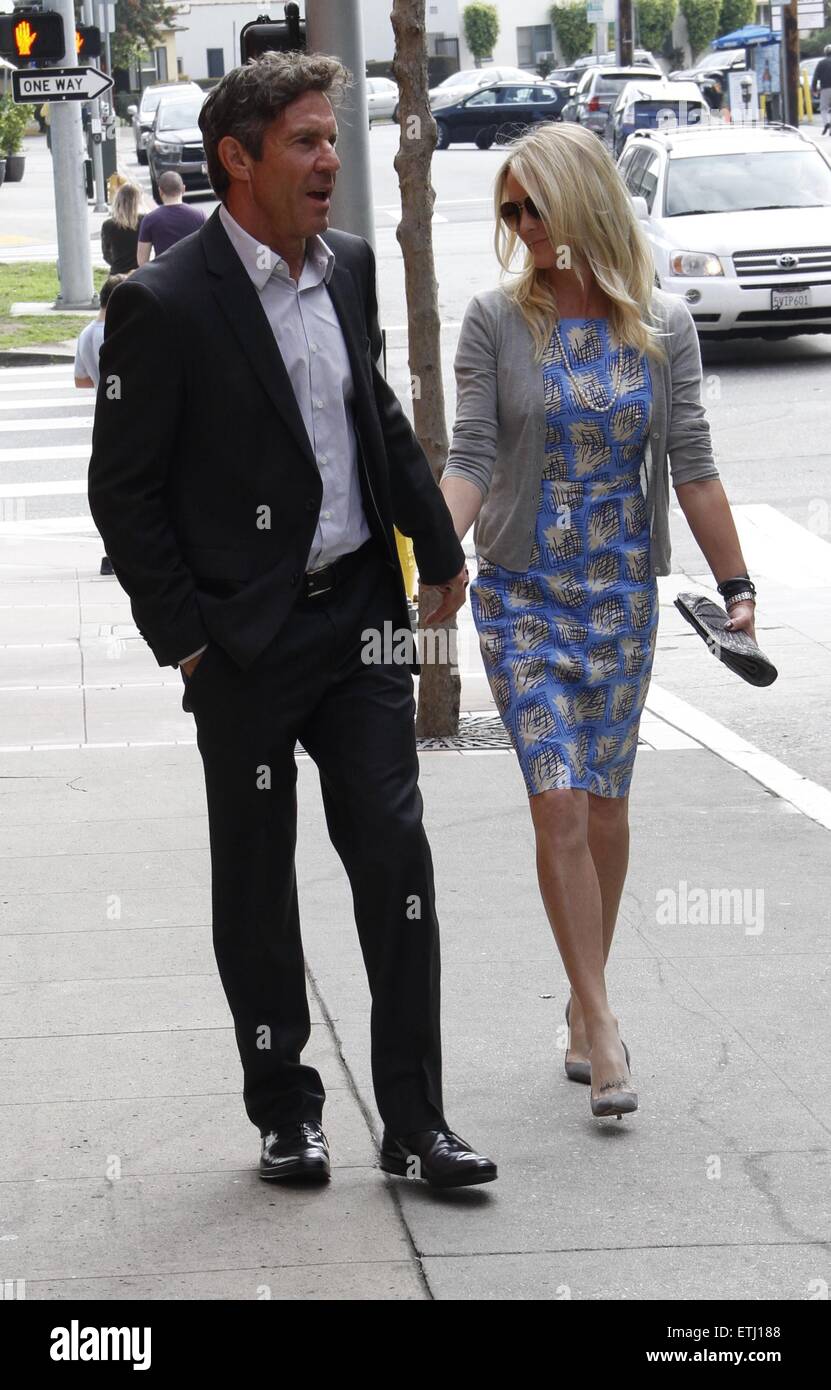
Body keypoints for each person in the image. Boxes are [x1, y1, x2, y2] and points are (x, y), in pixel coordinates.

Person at [88, 52, 496, 1190]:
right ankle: (285, 1108)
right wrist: (190, 640)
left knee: (395, 857)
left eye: (333, 137)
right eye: (309, 141)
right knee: (257, 883)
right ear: (240, 159)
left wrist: (436, 545)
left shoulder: (352, 266)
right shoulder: (162, 304)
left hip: (359, 619)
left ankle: (415, 1121)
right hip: (245, 645)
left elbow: (372, 411)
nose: (331, 160)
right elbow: (122, 493)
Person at [441, 123, 757, 1122]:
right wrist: (437, 552)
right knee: (559, 806)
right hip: (523, 588)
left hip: (621, 594)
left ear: (584, 205)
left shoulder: (661, 323)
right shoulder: (495, 322)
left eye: (537, 206)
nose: (524, 226)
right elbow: (473, 457)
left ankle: (583, 1002)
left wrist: (737, 584)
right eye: (511, 212)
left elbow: (694, 463)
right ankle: (603, 1019)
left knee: (608, 808)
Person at [75, 274, 129, 576]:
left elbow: (80, 380)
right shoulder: (121, 331)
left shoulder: (85, 334)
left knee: (111, 486)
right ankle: (118, 552)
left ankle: (111, 549)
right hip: (127, 418)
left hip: (103, 416)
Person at [136, 172, 205, 263]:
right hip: (193, 273)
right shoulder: (200, 216)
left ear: (160, 191)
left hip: (163, 274)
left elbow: (142, 261)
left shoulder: (150, 219)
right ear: (183, 189)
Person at [100, 183, 146, 274]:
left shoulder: (108, 225)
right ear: (137, 201)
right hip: (140, 273)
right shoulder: (145, 221)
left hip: (118, 273)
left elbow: (106, 254)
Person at [814, 44, 831, 136]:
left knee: (823, 108)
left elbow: (815, 77)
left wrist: (814, 89)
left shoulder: (821, 63)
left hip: (825, 88)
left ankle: (826, 123)